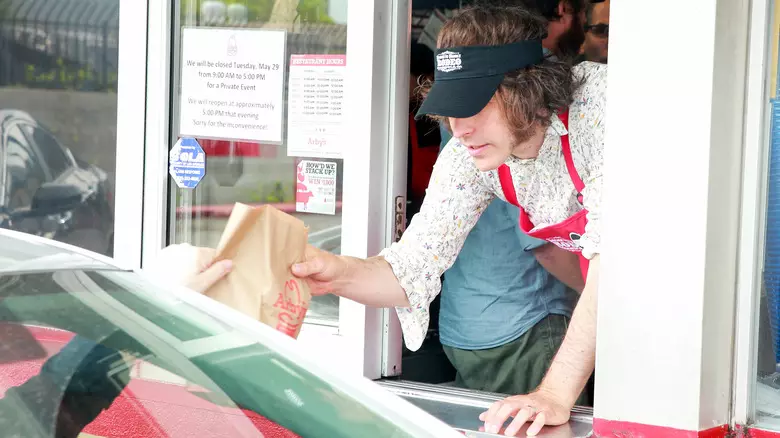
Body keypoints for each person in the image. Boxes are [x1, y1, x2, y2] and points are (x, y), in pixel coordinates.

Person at [292, 4, 607, 436]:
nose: (458, 129)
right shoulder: (468, 151)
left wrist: (552, 394)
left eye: (473, 107)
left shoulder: (602, 112)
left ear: (527, 92)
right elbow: (414, 266)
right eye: (450, 109)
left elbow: (616, 265)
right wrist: (334, 273)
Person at [430, 0, 589, 401]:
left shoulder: (479, 109)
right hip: (525, 324)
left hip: (464, 321)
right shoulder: (508, 122)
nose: (461, 128)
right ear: (563, 10)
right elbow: (546, 251)